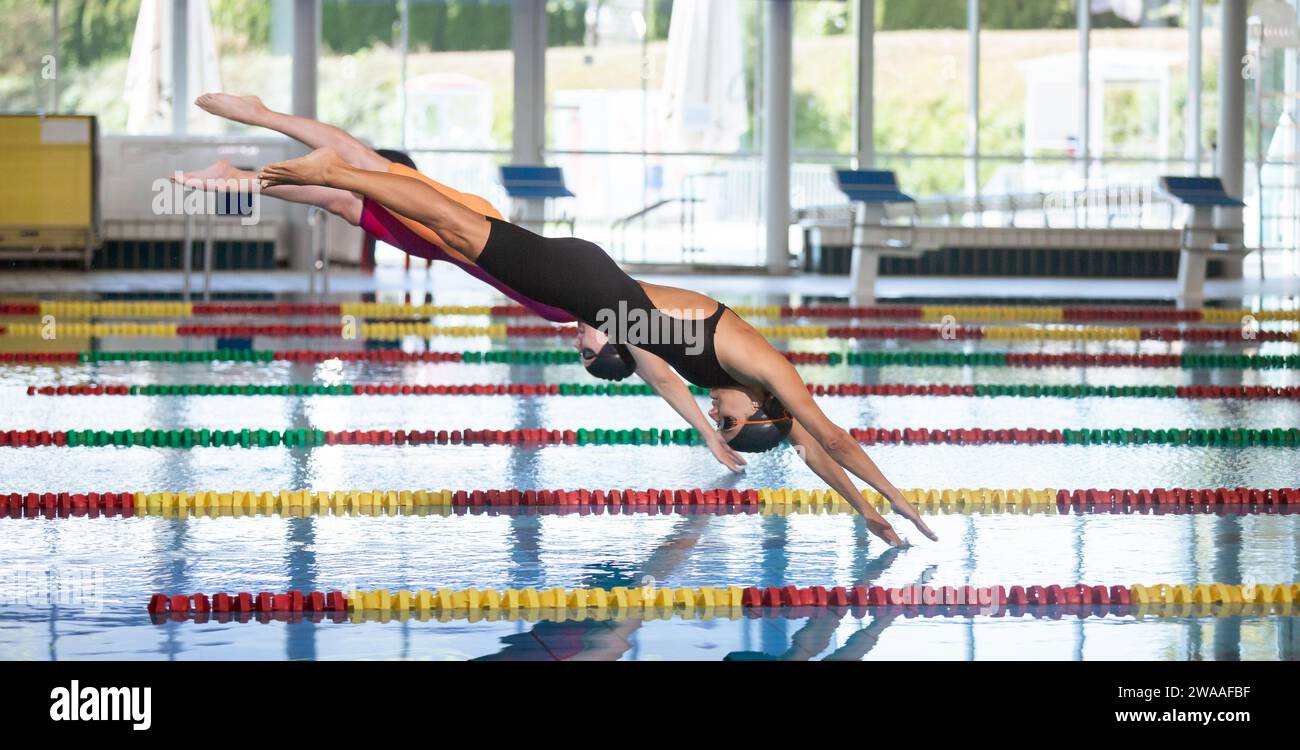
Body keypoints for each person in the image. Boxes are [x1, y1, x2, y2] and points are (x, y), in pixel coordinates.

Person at [258, 146, 937, 548]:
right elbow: (833, 436)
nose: (718, 410)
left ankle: (323, 184)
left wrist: (863, 512)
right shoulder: (761, 366)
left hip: (583, 296)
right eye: (729, 416)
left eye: (724, 419)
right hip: (588, 285)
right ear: (755, 403)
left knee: (449, 235)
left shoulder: (716, 378)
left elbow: (802, 446)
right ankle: (343, 172)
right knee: (455, 228)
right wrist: (897, 495)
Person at [176, 93, 746, 474]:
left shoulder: (590, 314)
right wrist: (722, 387)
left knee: (345, 203)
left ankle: (240, 181)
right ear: (615, 337)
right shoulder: (618, 306)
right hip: (465, 224)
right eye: (591, 351)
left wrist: (705, 433)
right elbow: (667, 370)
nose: (579, 346)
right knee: (357, 162)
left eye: (584, 356)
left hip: (450, 247)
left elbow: (663, 381)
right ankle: (261, 115)